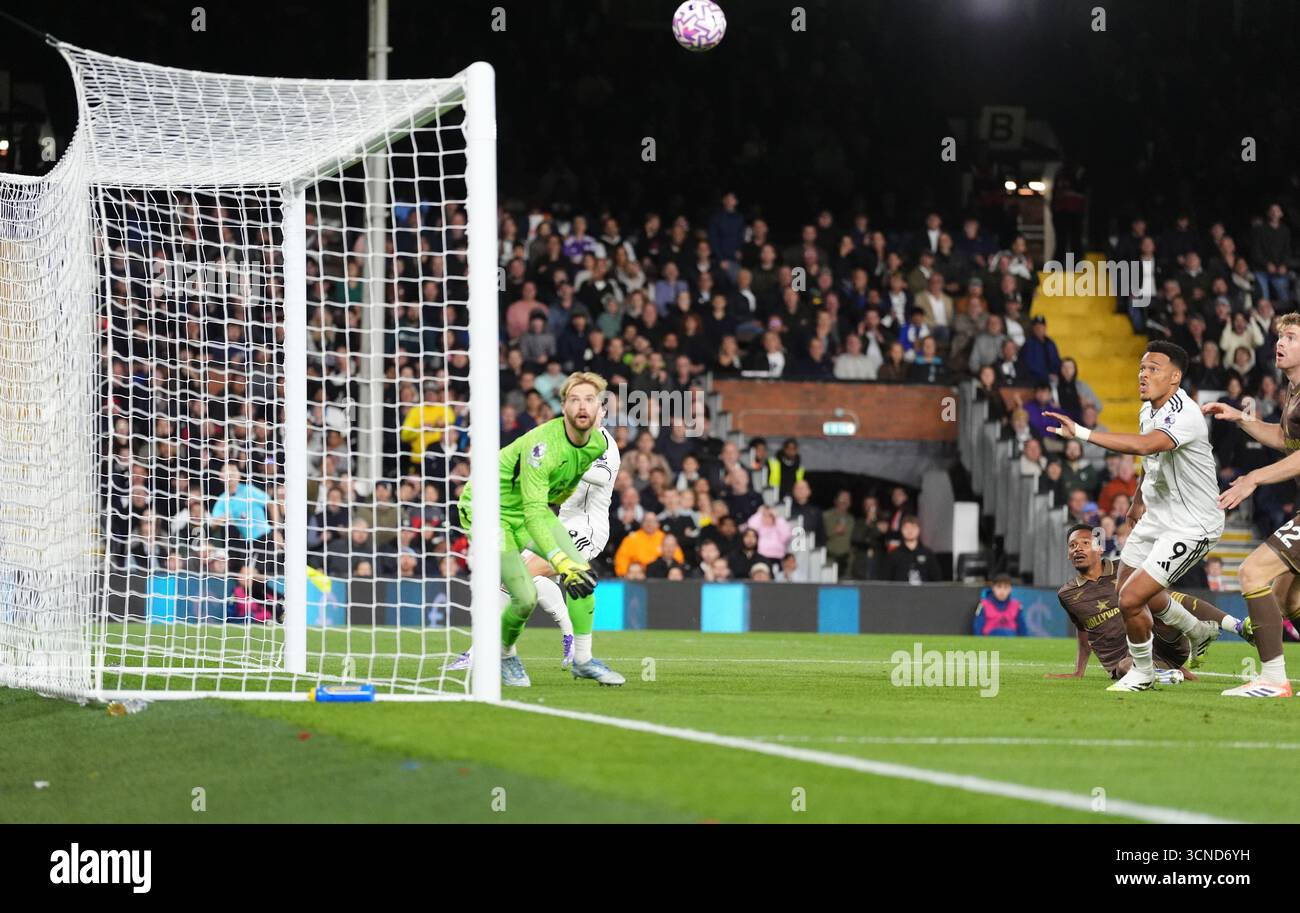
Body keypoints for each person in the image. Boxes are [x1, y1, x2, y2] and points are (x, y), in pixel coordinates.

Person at [1044, 341, 1225, 691]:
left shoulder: (1184, 414)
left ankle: (1142, 674)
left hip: (1193, 523)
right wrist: (1138, 498)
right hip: (1159, 514)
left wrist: (1081, 432)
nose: (1143, 374)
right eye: (1141, 368)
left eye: (1152, 368)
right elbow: (1151, 459)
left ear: (1175, 377)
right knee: (1125, 588)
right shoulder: (1148, 411)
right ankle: (1198, 629)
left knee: (1129, 599)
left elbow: (1145, 446)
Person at [455, 372, 608, 687]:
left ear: (600, 407)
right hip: (488, 509)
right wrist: (558, 559)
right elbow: (536, 511)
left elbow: (560, 492)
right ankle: (505, 654)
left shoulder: (595, 445)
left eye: (590, 399)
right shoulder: (542, 446)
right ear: (563, 406)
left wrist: (567, 562)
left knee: (581, 571)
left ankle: (582, 659)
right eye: (575, 399)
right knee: (523, 597)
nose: (583, 406)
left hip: (527, 509)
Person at [1202, 311, 1300, 696]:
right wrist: (1240, 418)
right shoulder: (1292, 390)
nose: (1280, 342)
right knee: (1286, 596)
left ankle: (1274, 680)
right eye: (1279, 336)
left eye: (1291, 336)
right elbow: (1283, 437)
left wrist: (1255, 478)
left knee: (1253, 573)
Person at [1046, 524, 1243, 682]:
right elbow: (1084, 632)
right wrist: (1078, 671)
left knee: (1160, 599)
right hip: (1126, 662)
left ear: (1099, 548)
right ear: (1068, 554)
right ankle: (1168, 674)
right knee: (1125, 667)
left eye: (1085, 543)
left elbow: (1162, 606)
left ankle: (1211, 629)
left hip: (1167, 644)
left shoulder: (1125, 569)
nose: (1077, 549)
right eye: (1072, 546)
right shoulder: (1068, 594)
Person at [885, 515, 940, 583]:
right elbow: (886, 581)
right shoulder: (894, 555)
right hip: (900, 592)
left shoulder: (928, 554)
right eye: (907, 527)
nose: (910, 531)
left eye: (913, 527)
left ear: (919, 529)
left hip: (924, 592)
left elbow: (937, 580)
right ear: (901, 530)